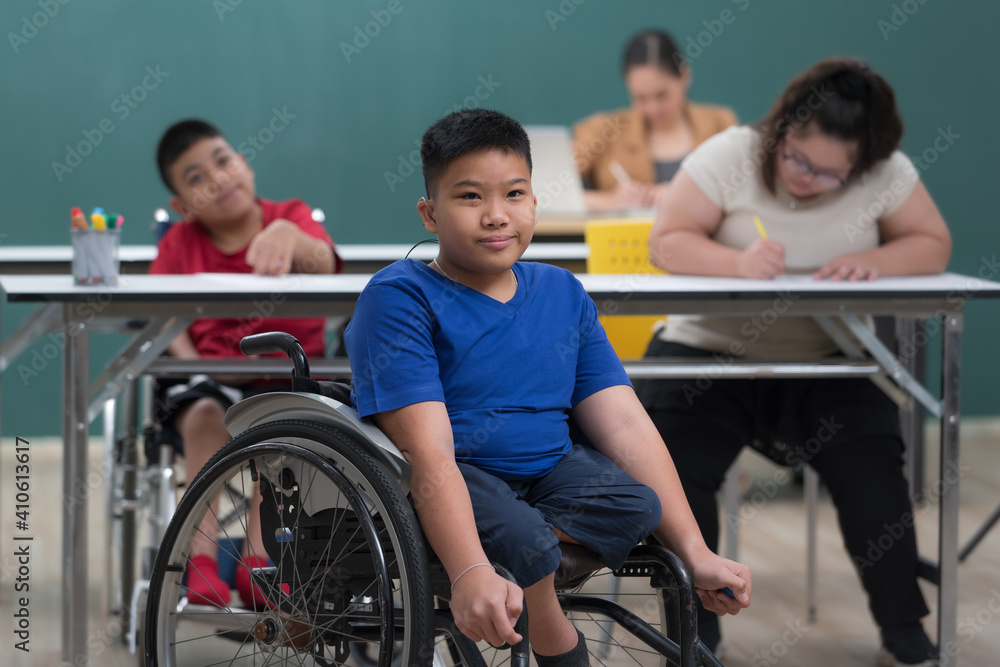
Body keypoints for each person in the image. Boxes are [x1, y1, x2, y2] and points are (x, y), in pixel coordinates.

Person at [344, 108, 751, 666]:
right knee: (524, 536)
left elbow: (625, 422)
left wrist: (697, 551)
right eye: (469, 198)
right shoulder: (399, 298)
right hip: (455, 475)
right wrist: (468, 572)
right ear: (429, 213)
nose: (495, 216)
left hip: (549, 475)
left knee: (638, 503)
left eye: (514, 194)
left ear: (535, 202)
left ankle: (529, 556)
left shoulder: (561, 291)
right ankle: (555, 636)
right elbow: (426, 453)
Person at [640, 58, 951, 667]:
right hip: (707, 354)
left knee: (874, 470)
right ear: (781, 132)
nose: (807, 177)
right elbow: (666, 239)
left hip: (822, 360)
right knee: (676, 473)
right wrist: (737, 264)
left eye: (830, 173)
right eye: (796, 160)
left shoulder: (888, 172)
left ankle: (904, 628)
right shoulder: (730, 153)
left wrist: (878, 264)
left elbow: (932, 242)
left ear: (862, 164)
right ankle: (698, 635)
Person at [149, 119, 343, 609]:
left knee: (284, 431)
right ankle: (201, 555)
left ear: (245, 163)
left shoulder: (291, 216)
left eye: (223, 160)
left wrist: (291, 239)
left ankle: (261, 560)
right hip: (212, 382)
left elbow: (325, 262)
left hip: (287, 378)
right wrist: (199, 368)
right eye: (195, 177)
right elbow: (162, 315)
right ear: (181, 205)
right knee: (203, 412)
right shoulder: (179, 245)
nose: (216, 178)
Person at [574, 29, 737, 211]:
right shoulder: (602, 131)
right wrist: (610, 201)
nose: (653, 109)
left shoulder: (720, 124)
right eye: (641, 98)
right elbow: (548, 191)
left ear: (683, 76)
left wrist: (683, 194)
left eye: (662, 95)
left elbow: (744, 191)